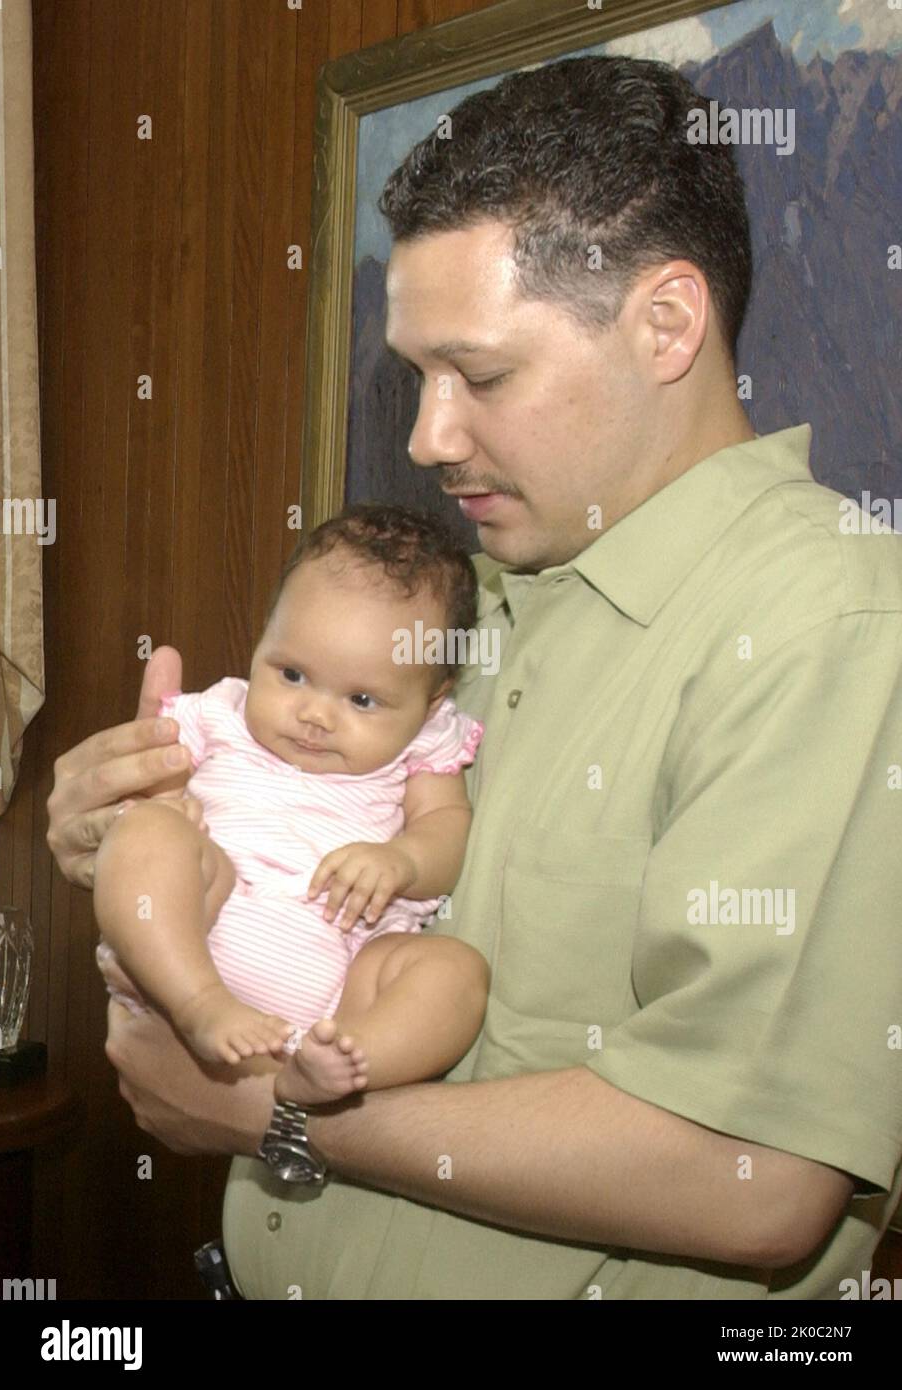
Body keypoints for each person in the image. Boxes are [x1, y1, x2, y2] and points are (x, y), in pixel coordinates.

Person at [47, 54, 902, 1299]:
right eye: (416, 374)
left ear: (666, 323)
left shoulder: (830, 620)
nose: (425, 436)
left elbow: (755, 1181)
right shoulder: (473, 606)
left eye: (481, 375)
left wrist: (282, 1121)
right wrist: (129, 824)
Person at [92, 505, 488, 1102]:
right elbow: (147, 785)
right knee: (149, 832)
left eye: (360, 698)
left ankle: (342, 1068)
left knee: (456, 972)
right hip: (199, 933)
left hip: (343, 970)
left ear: (432, 705)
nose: (314, 715)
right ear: (261, 643)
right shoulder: (220, 713)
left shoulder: (426, 748)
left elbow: (447, 827)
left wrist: (403, 860)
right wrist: (165, 804)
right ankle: (200, 1005)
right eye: (293, 674)